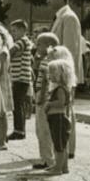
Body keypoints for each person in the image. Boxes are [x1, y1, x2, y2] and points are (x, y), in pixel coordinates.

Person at [47, 0, 82, 159]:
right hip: (57, 74)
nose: (48, 1)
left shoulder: (69, 18)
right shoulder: (59, 17)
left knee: (67, 110)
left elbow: (70, 50)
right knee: (63, 111)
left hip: (64, 75)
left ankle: (68, 149)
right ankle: (63, 148)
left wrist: (65, 78)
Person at [31, 32, 59, 170]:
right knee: (43, 130)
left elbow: (44, 81)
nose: (36, 47)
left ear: (48, 46)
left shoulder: (47, 61)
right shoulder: (49, 59)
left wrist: (41, 97)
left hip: (43, 96)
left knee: (42, 130)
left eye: (39, 44)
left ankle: (47, 159)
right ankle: (47, 158)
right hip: (47, 96)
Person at [44, 59, 73, 175]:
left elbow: (61, 102)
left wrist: (49, 104)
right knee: (62, 144)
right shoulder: (62, 88)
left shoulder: (60, 89)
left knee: (58, 145)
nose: (48, 75)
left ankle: (58, 168)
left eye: (50, 72)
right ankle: (63, 166)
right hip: (57, 118)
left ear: (58, 74)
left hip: (58, 118)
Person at [8, 20, 33, 140]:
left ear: (23, 30)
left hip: (20, 77)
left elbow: (10, 52)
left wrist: (10, 56)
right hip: (20, 77)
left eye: (15, 30)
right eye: (12, 31)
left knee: (17, 105)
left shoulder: (22, 40)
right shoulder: (22, 41)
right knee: (19, 104)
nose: (13, 33)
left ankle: (18, 131)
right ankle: (20, 130)